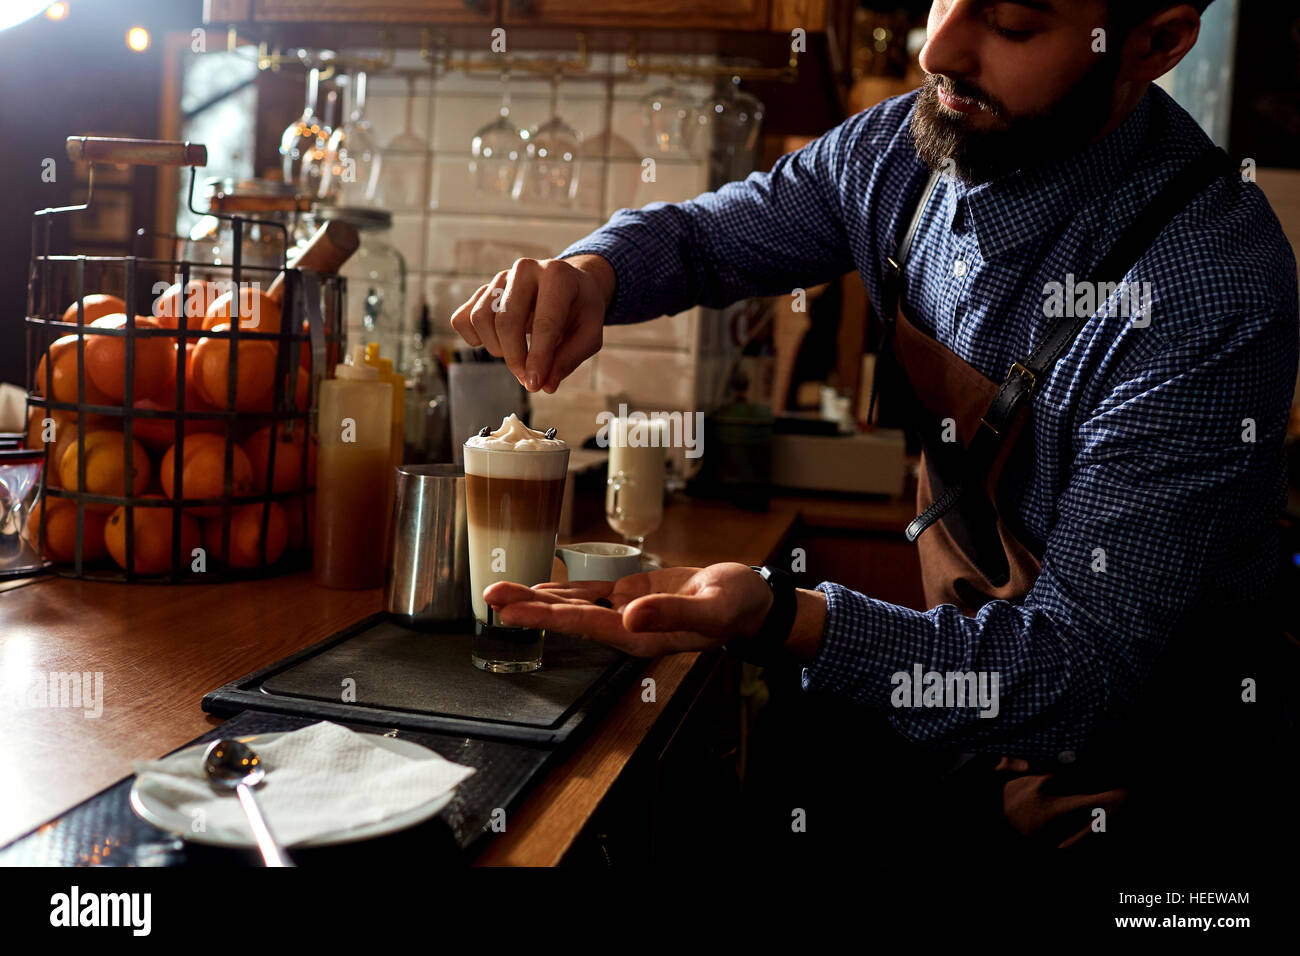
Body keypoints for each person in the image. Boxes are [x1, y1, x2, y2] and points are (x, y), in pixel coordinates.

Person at [450, 0, 1299, 853]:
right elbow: (710, 238)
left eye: (1009, 24)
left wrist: (786, 619)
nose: (939, 48)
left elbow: (1082, 673)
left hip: (1131, 780)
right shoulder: (906, 153)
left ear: (1155, 42)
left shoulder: (1207, 286)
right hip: (949, 716)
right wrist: (594, 272)